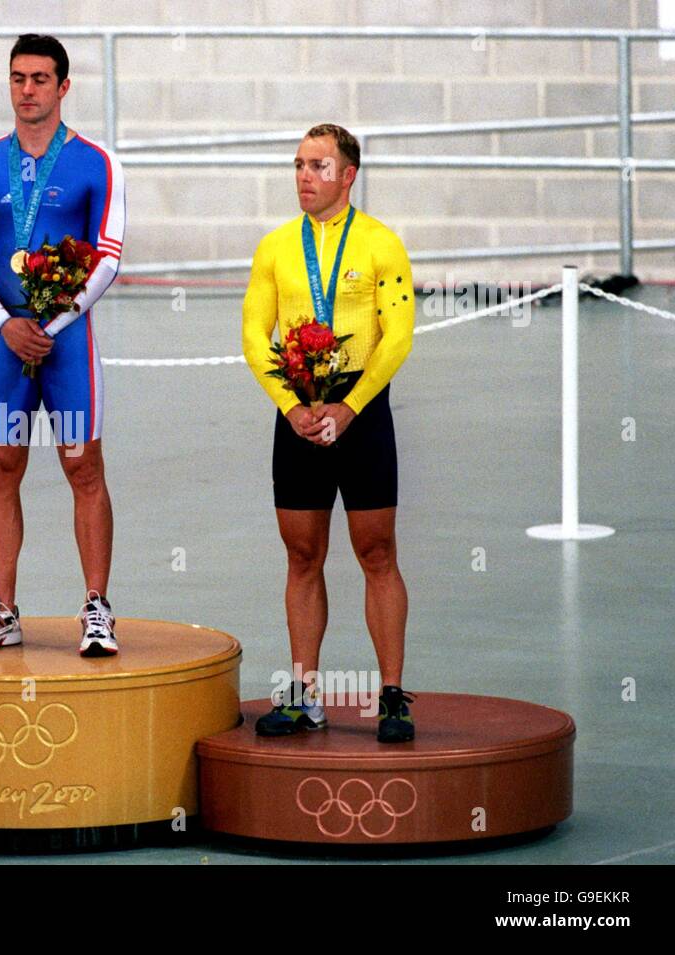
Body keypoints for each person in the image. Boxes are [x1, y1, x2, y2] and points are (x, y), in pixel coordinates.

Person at [0, 34, 126, 656]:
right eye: (19, 78)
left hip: (65, 339)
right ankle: (2, 609)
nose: (28, 90)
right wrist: (6, 323)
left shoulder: (97, 163)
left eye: (41, 79)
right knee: (1, 467)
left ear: (64, 87)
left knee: (82, 465)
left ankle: (96, 608)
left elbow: (108, 254)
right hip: (3, 336)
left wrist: (50, 326)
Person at [241, 123, 416, 742]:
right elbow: (254, 336)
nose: (304, 178)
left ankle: (391, 695)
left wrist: (350, 408)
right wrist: (291, 407)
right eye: (297, 165)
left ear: (348, 176)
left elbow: (397, 338)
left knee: (376, 553)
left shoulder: (380, 245)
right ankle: (304, 694)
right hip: (297, 413)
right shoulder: (275, 248)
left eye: (318, 166)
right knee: (302, 555)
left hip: (360, 414)